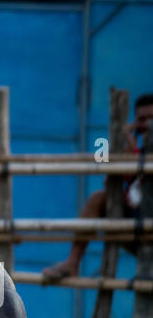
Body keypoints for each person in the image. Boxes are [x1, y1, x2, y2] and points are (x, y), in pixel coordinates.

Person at [41, 92, 153, 282]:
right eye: (142, 119)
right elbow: (111, 184)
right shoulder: (136, 151)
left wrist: (133, 151)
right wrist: (127, 152)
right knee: (98, 198)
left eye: (152, 118)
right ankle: (72, 263)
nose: (147, 124)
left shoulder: (138, 153)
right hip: (136, 224)